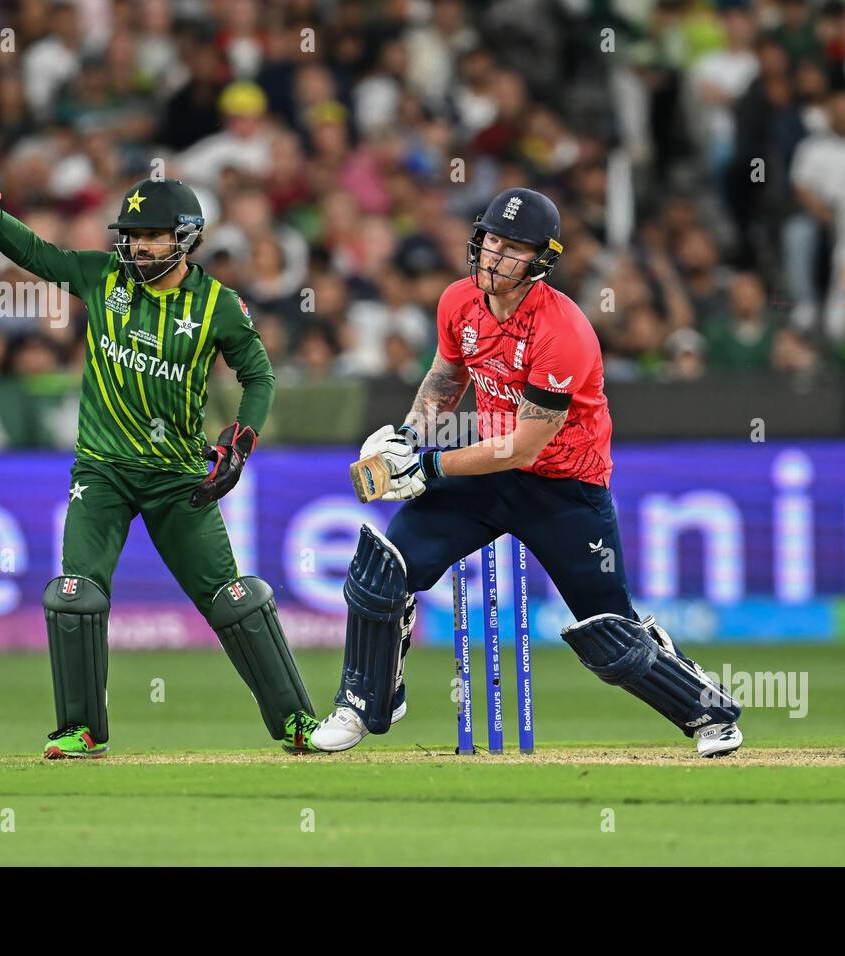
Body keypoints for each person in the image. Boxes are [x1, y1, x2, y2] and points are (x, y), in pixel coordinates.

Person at [0, 120, 321, 758]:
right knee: (74, 595)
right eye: (128, 236)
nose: (134, 248)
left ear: (185, 239)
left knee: (235, 601)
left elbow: (259, 376)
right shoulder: (101, 276)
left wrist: (238, 443)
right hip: (101, 470)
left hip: (179, 474)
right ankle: (81, 729)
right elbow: (31, 251)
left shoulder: (218, 305)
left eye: (149, 237)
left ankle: (298, 722)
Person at [312, 187, 743, 757]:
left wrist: (429, 462)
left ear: (540, 260)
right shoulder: (458, 302)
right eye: (492, 240)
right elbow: (446, 382)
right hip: (488, 475)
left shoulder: (562, 330)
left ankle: (707, 709)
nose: (496, 256)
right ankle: (365, 701)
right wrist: (410, 435)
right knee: (381, 572)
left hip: (566, 487)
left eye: (514, 249)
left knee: (609, 637)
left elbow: (525, 446)